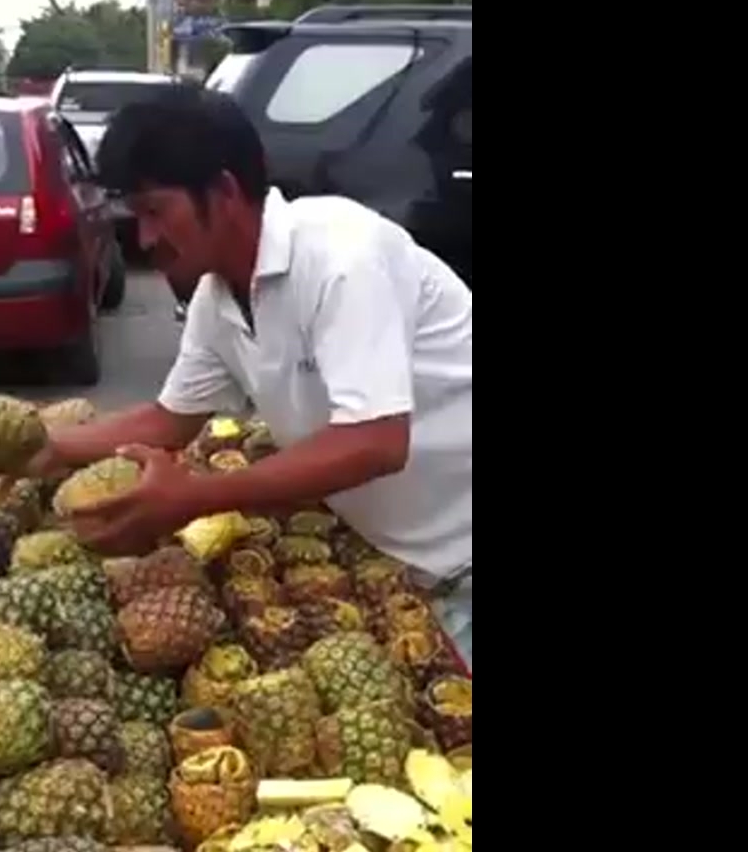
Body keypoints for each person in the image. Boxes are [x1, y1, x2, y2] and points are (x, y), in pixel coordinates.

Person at [30, 87, 472, 666]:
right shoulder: (217, 298)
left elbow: (376, 442)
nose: (145, 240)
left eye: (156, 211)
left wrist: (194, 497)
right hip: (407, 563)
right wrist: (39, 447)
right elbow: (168, 420)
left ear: (224, 191)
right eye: (135, 218)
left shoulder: (343, 254)